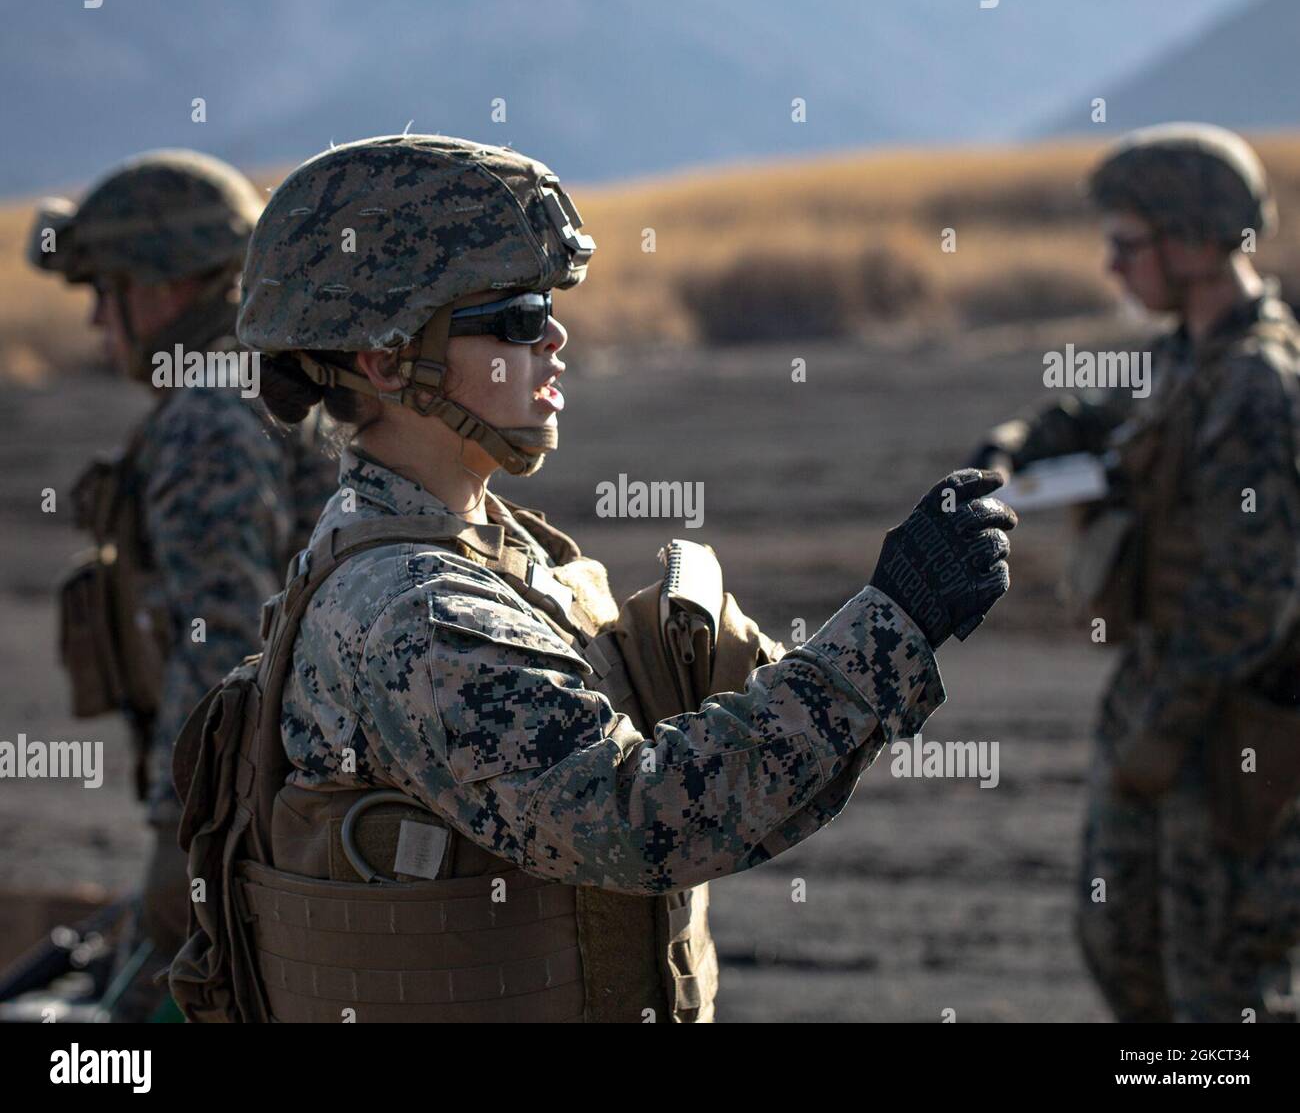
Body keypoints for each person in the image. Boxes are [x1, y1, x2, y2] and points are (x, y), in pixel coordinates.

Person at [172, 133, 1016, 1023]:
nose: (556, 338)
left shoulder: (489, 548)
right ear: (385, 360)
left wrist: (880, 634)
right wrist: (889, 629)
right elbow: (643, 819)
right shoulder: (416, 616)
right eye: (518, 316)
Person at [970, 123, 1300, 1022]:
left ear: (1192, 243)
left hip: (1232, 727)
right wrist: (1008, 451)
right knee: (1125, 950)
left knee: (1220, 981)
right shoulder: (1185, 359)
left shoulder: (1257, 388)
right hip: (1165, 707)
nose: (1113, 269)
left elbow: (1256, 595)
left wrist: (1168, 723)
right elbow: (1089, 415)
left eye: (1127, 245)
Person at [29, 150, 336, 1020]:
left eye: (106, 288)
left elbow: (222, 636)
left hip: (245, 809)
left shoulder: (209, 410)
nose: (96, 320)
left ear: (164, 285)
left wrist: (187, 834)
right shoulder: (260, 378)